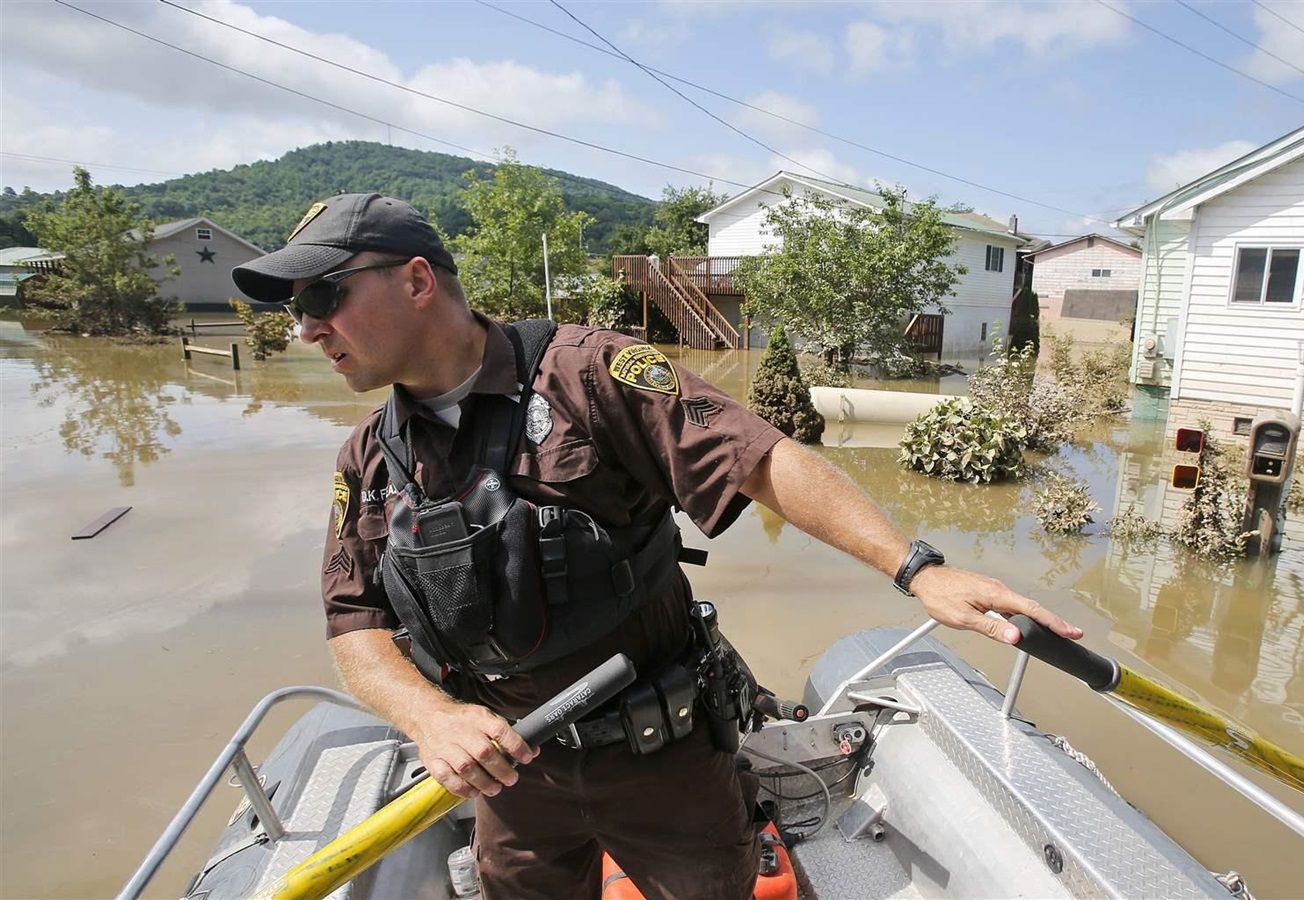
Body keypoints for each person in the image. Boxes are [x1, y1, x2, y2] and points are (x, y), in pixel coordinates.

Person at [232, 193, 1082, 899]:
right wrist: (430, 717)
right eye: (292, 309)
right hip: (510, 787)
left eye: (320, 298)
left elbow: (760, 459)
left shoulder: (590, 374)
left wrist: (916, 567)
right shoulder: (368, 459)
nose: (306, 329)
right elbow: (355, 622)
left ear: (416, 280)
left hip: (666, 765)